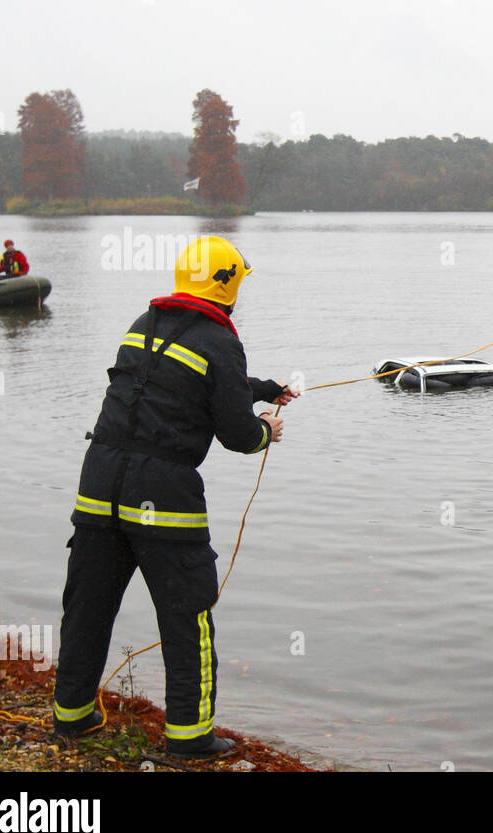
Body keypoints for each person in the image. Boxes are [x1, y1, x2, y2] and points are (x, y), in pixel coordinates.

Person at [53, 236, 300, 759]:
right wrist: (266, 430)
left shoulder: (143, 324)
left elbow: (173, 381)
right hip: (162, 495)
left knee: (88, 607)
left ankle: (72, 715)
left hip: (98, 485)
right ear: (226, 284)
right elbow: (236, 434)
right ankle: (190, 738)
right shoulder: (220, 339)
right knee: (188, 614)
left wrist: (259, 386)